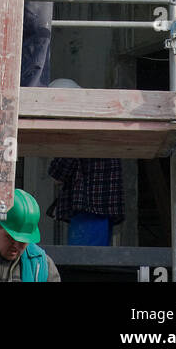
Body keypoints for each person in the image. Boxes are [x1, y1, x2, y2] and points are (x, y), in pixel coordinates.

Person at [47, 80, 125, 246]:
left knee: (83, 258)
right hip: (101, 210)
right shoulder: (99, 120)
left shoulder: (79, 127)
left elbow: (59, 171)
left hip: (89, 209)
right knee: (97, 256)